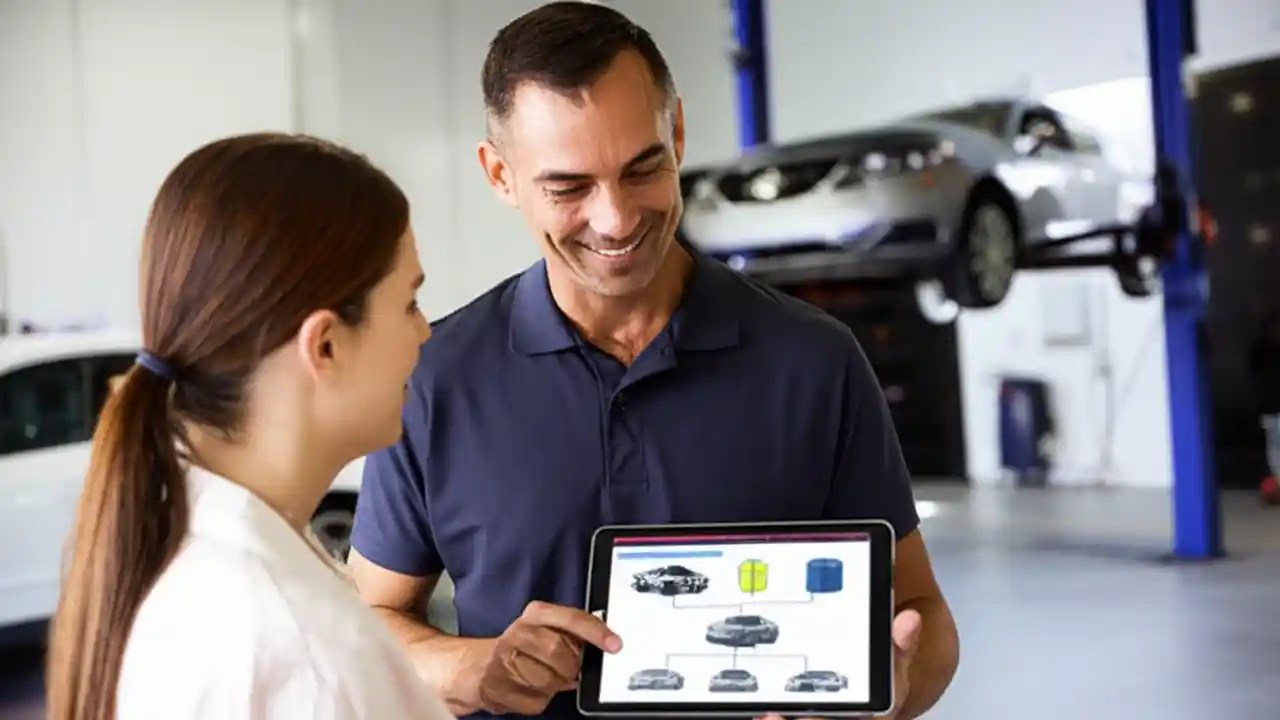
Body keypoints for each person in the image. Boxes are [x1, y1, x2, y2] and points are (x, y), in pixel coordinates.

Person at [348, 3, 959, 719]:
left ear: (676, 132)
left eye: (643, 168)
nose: (615, 219)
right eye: (568, 187)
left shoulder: (815, 362)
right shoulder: (433, 379)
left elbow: (922, 614)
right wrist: (467, 665)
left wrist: (889, 690)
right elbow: (369, 627)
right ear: (500, 175)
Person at [44, 133, 450, 720]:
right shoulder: (298, 652)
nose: (424, 333)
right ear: (327, 345)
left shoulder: (190, 540)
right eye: (409, 304)